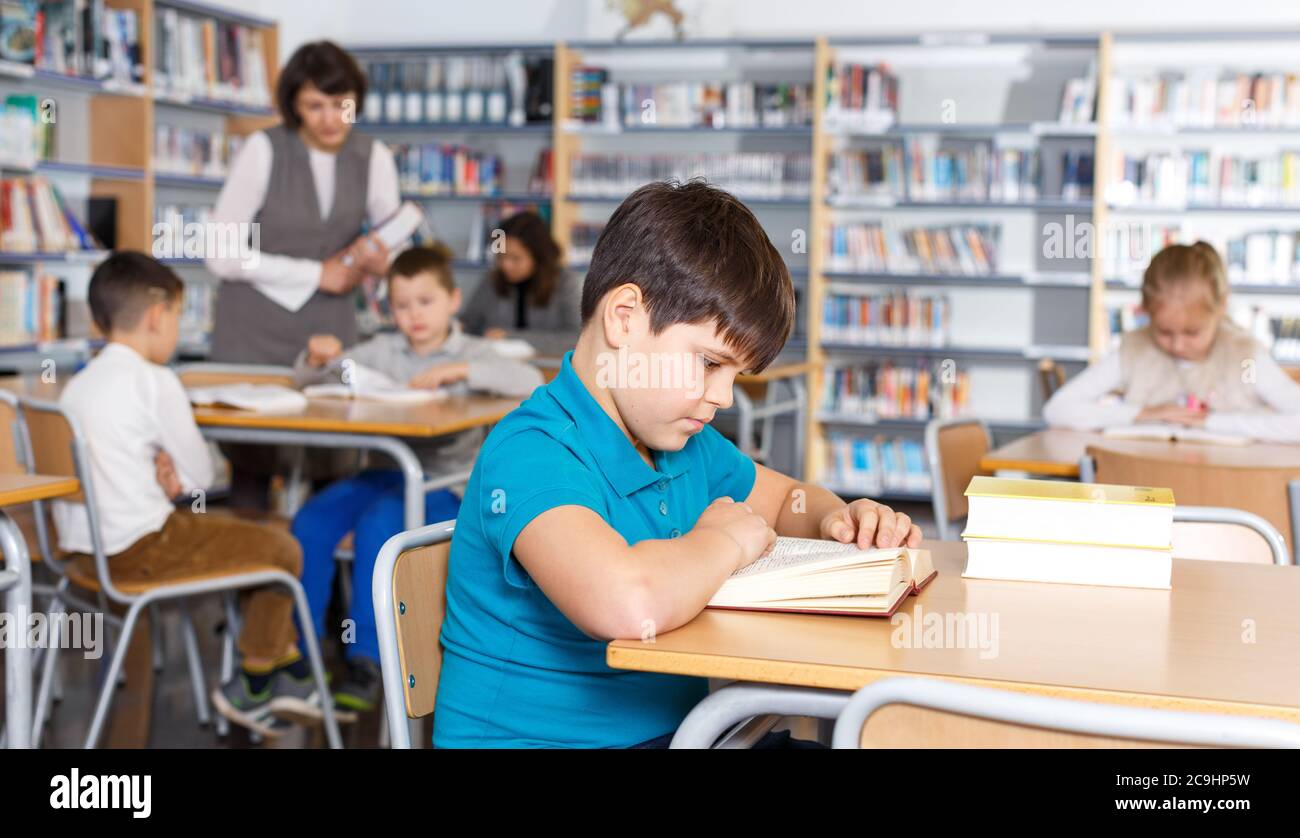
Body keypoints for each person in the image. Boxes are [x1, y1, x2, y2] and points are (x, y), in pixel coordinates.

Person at [433, 180, 923, 748]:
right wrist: (725, 542)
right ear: (624, 318)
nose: (724, 398)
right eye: (711, 364)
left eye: (735, 375)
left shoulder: (681, 441)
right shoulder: (532, 451)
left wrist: (841, 518)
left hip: (686, 735)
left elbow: (789, 501)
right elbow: (624, 601)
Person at [56, 252, 321, 738]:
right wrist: (175, 478)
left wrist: (161, 472)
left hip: (81, 555)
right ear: (158, 315)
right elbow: (200, 479)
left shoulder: (77, 384)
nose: (177, 326)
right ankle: (257, 681)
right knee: (281, 548)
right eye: (178, 314)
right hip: (140, 550)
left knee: (245, 544)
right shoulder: (156, 381)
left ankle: (293, 669)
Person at [291, 244, 543, 712]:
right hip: (382, 473)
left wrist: (462, 369)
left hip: (445, 485)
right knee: (311, 520)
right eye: (402, 306)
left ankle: (367, 659)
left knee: (377, 523)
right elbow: (311, 381)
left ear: (452, 300)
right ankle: (302, 658)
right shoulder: (383, 350)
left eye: (425, 303)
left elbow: (529, 378)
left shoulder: (472, 350)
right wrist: (314, 358)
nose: (414, 316)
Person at [204, 41, 409, 509]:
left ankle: (324, 579)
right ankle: (256, 579)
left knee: (332, 463)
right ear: (293, 106)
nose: (331, 119)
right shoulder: (264, 149)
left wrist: (386, 262)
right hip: (252, 334)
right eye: (315, 106)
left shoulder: (372, 156)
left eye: (341, 105)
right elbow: (219, 252)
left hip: (330, 334)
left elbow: (394, 242)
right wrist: (317, 273)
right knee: (252, 468)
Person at [1043, 241, 1300, 442]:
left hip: (1225, 496)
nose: (1177, 345)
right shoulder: (1135, 352)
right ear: (1145, 312)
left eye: (1192, 333)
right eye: (1164, 332)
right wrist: (1141, 414)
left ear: (1221, 308)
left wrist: (1209, 421)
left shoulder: (1245, 360)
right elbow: (1058, 409)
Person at [460, 211, 582, 356]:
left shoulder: (566, 283)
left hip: (551, 370)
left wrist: (510, 336)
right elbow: (468, 325)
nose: (506, 265)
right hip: (496, 368)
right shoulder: (491, 280)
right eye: (501, 257)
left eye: (515, 258)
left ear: (539, 257)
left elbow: (575, 339)